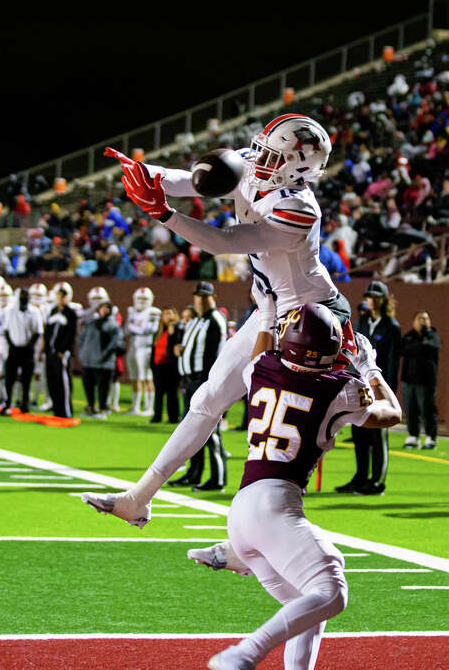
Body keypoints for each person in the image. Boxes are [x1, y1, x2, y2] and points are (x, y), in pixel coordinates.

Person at [85, 114, 348, 526]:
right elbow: (192, 179)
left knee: (276, 429)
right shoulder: (256, 164)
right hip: (269, 309)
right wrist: (145, 174)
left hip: (308, 318)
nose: (258, 159)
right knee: (208, 399)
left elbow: (225, 242)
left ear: (299, 165)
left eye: (272, 155)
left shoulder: (298, 207)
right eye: (261, 148)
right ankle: (139, 498)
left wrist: (165, 216)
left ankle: (266, 528)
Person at [190, 302, 402, 670]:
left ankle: (233, 556)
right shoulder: (340, 389)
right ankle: (246, 652)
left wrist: (269, 315)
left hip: (242, 510)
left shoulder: (261, 368)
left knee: (307, 609)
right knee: (331, 591)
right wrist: (368, 365)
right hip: (275, 507)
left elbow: (261, 351)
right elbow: (393, 413)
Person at [337, 280, 399, 495]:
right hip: (360, 384)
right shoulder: (361, 323)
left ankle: (377, 481)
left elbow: (392, 360)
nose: (371, 300)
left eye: (375, 296)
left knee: (378, 435)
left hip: (378, 385)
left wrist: (388, 388)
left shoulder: (391, 326)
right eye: (369, 296)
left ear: (383, 300)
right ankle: (360, 476)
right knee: (360, 432)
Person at [168, 282, 229, 491]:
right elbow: (189, 347)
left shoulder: (215, 320)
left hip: (205, 382)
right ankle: (194, 473)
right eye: (197, 296)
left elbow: (216, 354)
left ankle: (218, 478)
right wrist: (179, 350)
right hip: (190, 381)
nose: (200, 300)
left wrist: (209, 382)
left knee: (210, 431)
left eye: (204, 296)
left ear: (213, 297)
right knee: (190, 431)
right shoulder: (195, 321)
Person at [400, 310, 440, 449]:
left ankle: (431, 437)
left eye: (425, 318)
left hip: (426, 381)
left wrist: (415, 348)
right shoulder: (409, 336)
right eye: (420, 318)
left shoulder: (433, 335)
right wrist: (420, 347)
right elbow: (402, 350)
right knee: (410, 410)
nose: (423, 321)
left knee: (427, 410)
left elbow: (430, 346)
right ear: (414, 321)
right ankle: (413, 436)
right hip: (409, 380)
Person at [78, 298, 123, 419]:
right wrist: (82, 354)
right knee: (88, 386)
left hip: (104, 363)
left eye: (107, 307)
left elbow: (115, 343)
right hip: (88, 361)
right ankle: (91, 407)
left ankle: (103, 409)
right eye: (103, 307)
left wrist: (103, 356)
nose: (105, 310)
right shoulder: (91, 324)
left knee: (103, 387)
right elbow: (81, 339)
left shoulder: (113, 325)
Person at [2, 288, 42, 414]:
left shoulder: (34, 311)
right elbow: (6, 330)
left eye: (27, 296)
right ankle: (7, 402)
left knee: (26, 378)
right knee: (9, 378)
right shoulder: (10, 311)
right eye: (22, 296)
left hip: (27, 350)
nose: (25, 298)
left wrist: (30, 346)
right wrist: (11, 345)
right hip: (13, 349)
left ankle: (25, 403)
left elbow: (38, 331)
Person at [43, 282, 79, 418]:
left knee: (63, 382)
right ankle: (56, 410)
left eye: (63, 296)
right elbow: (48, 332)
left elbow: (71, 334)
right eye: (58, 295)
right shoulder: (52, 311)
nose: (60, 299)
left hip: (61, 353)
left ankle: (66, 411)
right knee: (52, 381)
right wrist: (47, 349)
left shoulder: (71, 313)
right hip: (51, 353)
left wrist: (63, 350)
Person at [125, 287, 161, 416]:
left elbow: (149, 329)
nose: (142, 301)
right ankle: (135, 407)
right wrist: (137, 328)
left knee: (146, 377)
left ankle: (149, 407)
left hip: (146, 348)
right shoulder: (131, 311)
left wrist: (135, 327)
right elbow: (127, 330)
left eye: (145, 298)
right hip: (133, 346)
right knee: (134, 377)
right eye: (139, 298)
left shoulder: (154, 312)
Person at [150, 307, 183, 423]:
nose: (167, 316)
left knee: (172, 393)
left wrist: (172, 333)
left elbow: (175, 348)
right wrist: (152, 365)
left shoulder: (178, 330)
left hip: (171, 366)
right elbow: (154, 350)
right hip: (158, 366)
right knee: (158, 393)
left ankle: (173, 417)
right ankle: (157, 416)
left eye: (169, 313)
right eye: (164, 314)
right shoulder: (159, 332)